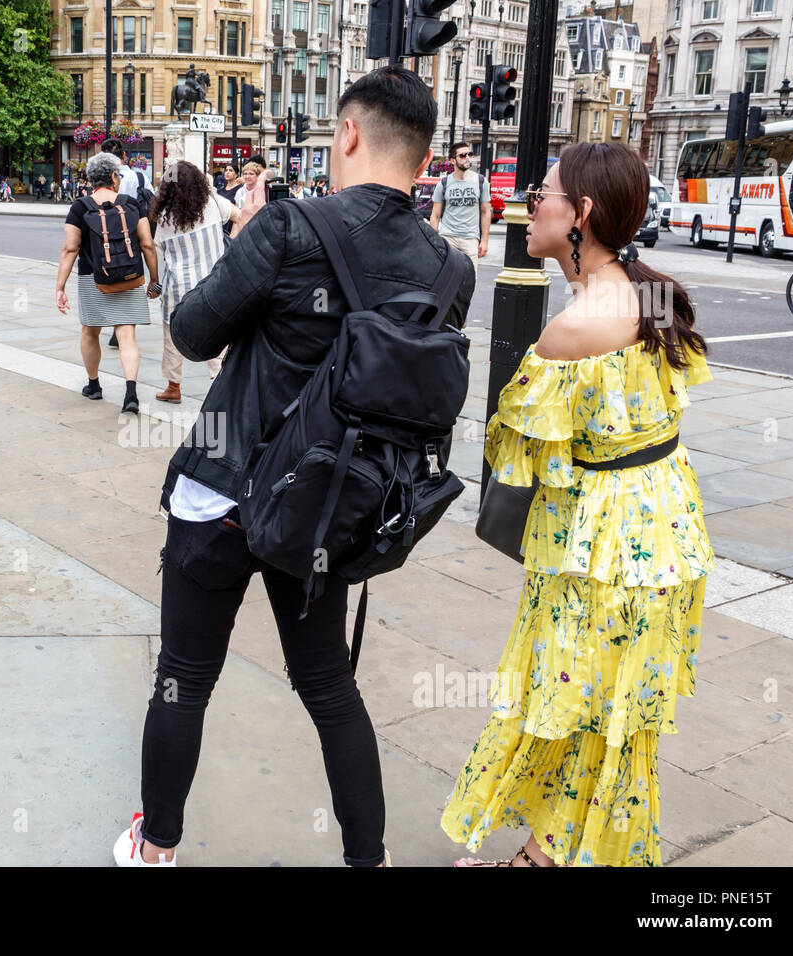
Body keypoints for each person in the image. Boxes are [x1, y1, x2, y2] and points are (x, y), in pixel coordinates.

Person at [111, 67, 474, 868]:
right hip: (328, 505)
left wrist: (241, 243)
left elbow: (197, 333)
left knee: (184, 676)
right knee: (330, 690)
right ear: (423, 153)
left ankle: (156, 847)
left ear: (347, 133)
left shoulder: (286, 227)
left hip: (225, 485)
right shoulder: (451, 269)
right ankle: (365, 861)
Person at [442, 142, 711, 868]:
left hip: (606, 549)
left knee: (572, 701)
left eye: (546, 191)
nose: (531, 202)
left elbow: (513, 449)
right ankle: (549, 854)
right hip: (659, 532)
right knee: (606, 713)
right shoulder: (647, 293)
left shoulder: (574, 330)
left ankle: (540, 860)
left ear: (581, 215)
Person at [55, 152, 159, 415]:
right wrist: (154, 279)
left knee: (90, 332)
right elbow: (147, 244)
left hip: (93, 277)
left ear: (91, 180)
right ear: (114, 177)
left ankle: (94, 385)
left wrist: (60, 286)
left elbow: (69, 249)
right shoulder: (132, 204)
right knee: (127, 337)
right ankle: (131, 393)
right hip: (129, 278)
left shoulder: (80, 207)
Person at [148, 160, 239, 404]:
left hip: (179, 288)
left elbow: (160, 251)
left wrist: (154, 283)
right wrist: (229, 240)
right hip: (214, 283)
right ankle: (222, 387)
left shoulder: (166, 218)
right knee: (219, 337)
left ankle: (173, 386)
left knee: (172, 337)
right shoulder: (214, 203)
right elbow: (239, 216)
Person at [429, 142, 491, 274]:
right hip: (448, 237)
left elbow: (486, 212)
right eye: (463, 155)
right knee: (447, 280)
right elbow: (435, 215)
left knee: (470, 282)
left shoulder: (481, 182)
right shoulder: (443, 184)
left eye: (470, 154)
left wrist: (484, 241)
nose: (468, 157)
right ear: (452, 161)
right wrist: (434, 241)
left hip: (470, 238)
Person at [232, 161, 266, 235]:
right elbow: (237, 212)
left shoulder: (263, 191)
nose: (247, 176)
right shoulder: (239, 192)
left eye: (251, 174)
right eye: (245, 174)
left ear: (257, 176)